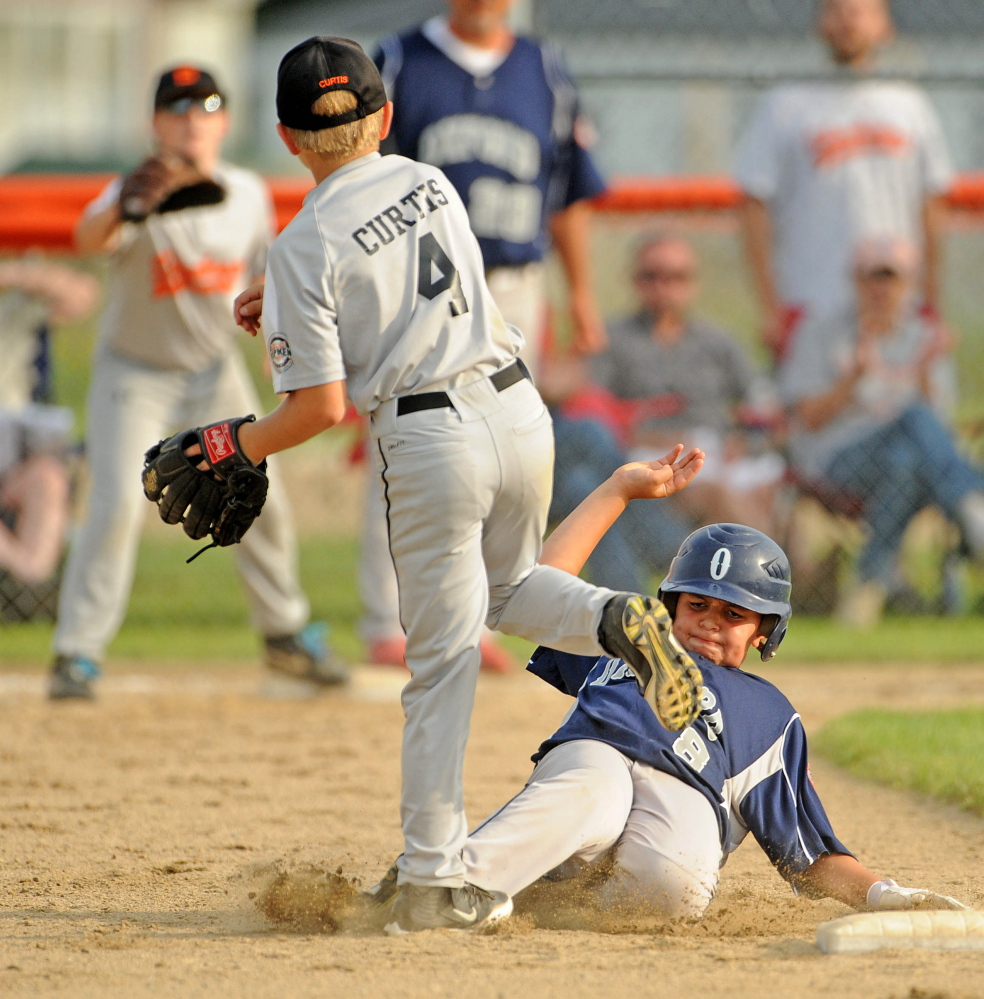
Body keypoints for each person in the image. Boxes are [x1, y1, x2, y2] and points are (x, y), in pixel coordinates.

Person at [226, 36, 703, 934]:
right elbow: (395, 271)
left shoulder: (300, 244)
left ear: (288, 139)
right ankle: (613, 617)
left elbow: (319, 407)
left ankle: (432, 875)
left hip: (431, 437)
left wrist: (233, 443)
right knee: (513, 590)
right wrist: (283, 294)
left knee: (441, 662)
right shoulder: (431, 181)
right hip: (520, 411)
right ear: (388, 118)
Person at [368, 470, 968, 924]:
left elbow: (809, 856)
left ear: (764, 633)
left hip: (676, 840)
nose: (709, 621)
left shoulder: (770, 716)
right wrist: (618, 490)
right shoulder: (630, 638)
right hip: (590, 774)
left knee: (673, 878)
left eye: (734, 614)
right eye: (696, 604)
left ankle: (518, 894)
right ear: (670, 603)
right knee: (597, 785)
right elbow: (541, 591)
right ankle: (447, 887)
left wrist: (886, 895)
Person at [49, 65, 347, 700]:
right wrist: (129, 206)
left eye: (205, 108)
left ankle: (284, 634)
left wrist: (277, 350)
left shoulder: (245, 192)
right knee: (116, 507)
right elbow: (85, 238)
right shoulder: (135, 188)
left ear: (225, 121)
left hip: (214, 373)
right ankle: (76, 651)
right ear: (157, 123)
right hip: (135, 372)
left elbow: (273, 278)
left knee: (259, 491)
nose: (191, 120)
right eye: (177, 109)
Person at [360, 0, 608, 668]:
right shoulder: (400, 60)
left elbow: (569, 194)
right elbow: (360, 180)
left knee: (503, 449)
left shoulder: (545, 68)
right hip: (419, 279)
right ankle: (389, 618)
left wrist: (581, 293)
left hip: (515, 282)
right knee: (407, 436)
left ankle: (484, 619)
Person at [779, 235, 984, 627]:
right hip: (837, 460)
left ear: (909, 284)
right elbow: (807, 419)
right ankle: (973, 506)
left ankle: (870, 586)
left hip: (907, 466)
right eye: (873, 278)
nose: (881, 289)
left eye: (892, 279)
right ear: (855, 281)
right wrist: (852, 380)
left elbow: (939, 430)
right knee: (913, 419)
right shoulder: (821, 332)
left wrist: (925, 371)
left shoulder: (923, 338)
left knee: (905, 459)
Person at [735, 0, 953, 360]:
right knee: (812, 409)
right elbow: (754, 205)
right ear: (818, 24)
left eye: (861, 11)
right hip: (812, 297)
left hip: (895, 299)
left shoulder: (910, 104)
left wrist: (931, 298)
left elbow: (931, 207)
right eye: (835, 9)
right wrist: (769, 305)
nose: (847, 21)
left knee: (899, 405)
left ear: (886, 26)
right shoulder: (785, 104)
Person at [587, 235, 783, 535]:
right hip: (655, 458)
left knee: (774, 484)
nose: (663, 287)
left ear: (693, 283)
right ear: (635, 280)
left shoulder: (716, 340)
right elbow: (593, 413)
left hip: (719, 449)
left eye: (676, 277)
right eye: (652, 276)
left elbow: (760, 399)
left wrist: (743, 439)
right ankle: (784, 574)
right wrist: (649, 435)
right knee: (718, 492)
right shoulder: (612, 340)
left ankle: (783, 572)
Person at [0, 259, 97, 594]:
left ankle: (29, 587)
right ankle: (21, 575)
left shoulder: (20, 296)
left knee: (49, 480)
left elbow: (83, 296)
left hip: (14, 444)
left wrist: (20, 275)